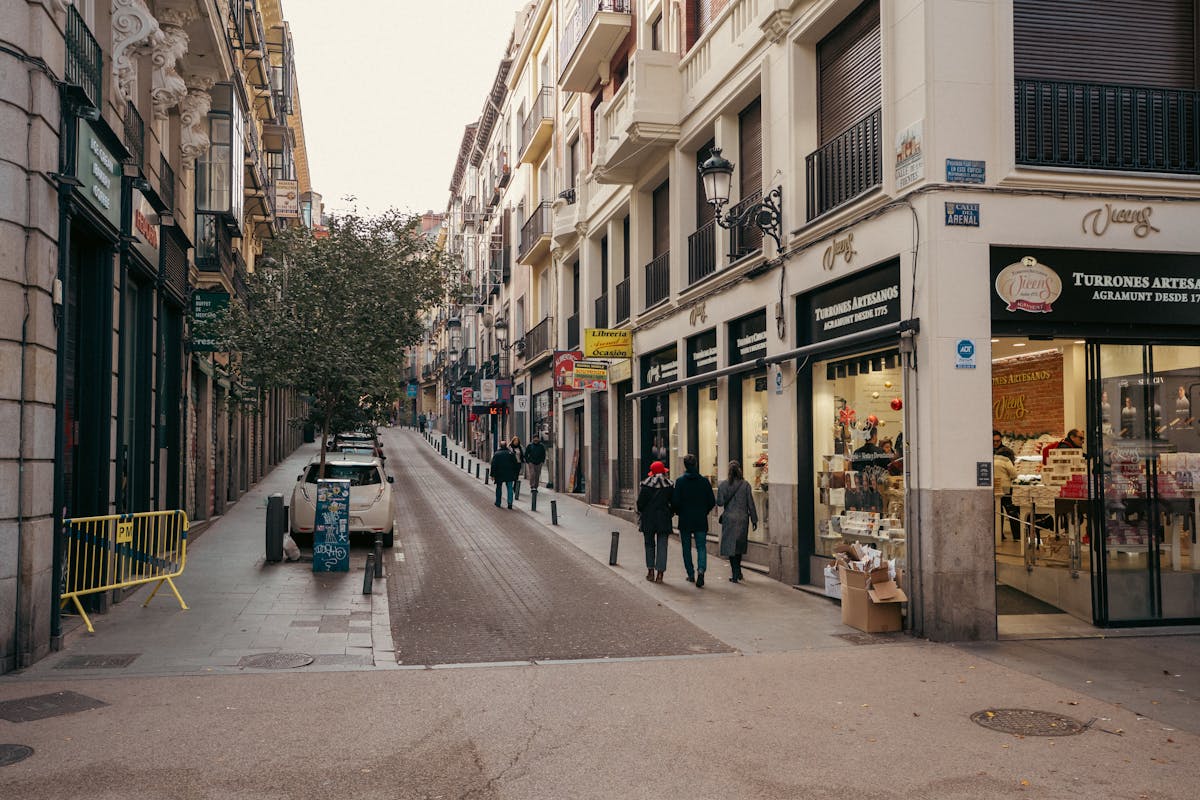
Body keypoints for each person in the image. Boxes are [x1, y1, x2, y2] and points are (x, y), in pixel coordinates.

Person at [672, 454, 716, 587]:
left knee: (686, 547)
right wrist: (704, 511)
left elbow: (675, 502)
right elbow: (711, 501)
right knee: (701, 547)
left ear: (685, 465)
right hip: (700, 519)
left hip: (685, 520)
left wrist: (679, 512)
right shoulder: (704, 482)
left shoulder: (680, 482)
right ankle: (701, 570)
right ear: (696, 464)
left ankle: (690, 574)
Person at [716, 460, 757, 583]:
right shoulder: (746, 485)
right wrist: (754, 519)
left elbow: (720, 502)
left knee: (730, 547)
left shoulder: (723, 485)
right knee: (739, 546)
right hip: (742, 519)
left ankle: (735, 573)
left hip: (729, 519)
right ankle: (738, 571)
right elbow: (751, 504)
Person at [636, 461, 674, 583]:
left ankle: (650, 571)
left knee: (649, 544)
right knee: (663, 545)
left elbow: (640, 504)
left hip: (648, 519)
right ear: (663, 471)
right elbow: (674, 502)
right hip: (664, 519)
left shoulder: (645, 485)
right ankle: (660, 574)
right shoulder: (669, 485)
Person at [993, 451, 1020, 542]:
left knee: (997, 512)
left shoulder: (992, 458)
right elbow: (1014, 474)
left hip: (994, 488)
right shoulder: (1006, 460)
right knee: (1011, 512)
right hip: (1005, 489)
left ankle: (998, 534)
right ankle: (1017, 536)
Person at [490, 440, 520, 509]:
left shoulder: (497, 454)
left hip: (499, 474)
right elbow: (515, 464)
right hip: (509, 473)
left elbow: (493, 465)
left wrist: (492, 475)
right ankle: (510, 503)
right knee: (509, 488)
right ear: (506, 445)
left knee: (499, 487)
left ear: (500, 446)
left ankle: (498, 502)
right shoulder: (511, 453)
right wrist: (515, 474)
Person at [524, 434, 547, 501]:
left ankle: (536, 487)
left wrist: (542, 461)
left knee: (537, 475)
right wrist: (528, 461)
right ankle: (532, 486)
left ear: (538, 439)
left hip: (539, 462)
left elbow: (544, 454)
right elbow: (526, 454)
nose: (536, 439)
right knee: (532, 474)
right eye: (535, 438)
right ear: (533, 439)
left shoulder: (541, 446)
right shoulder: (530, 446)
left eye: (537, 438)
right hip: (531, 462)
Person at [509, 436, 524, 500]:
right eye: (515, 441)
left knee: (516, 476)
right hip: (512, 464)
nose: (516, 442)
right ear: (513, 441)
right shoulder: (510, 447)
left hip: (518, 463)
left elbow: (522, 454)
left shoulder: (520, 447)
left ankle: (515, 488)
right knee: (512, 476)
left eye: (517, 441)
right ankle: (512, 487)